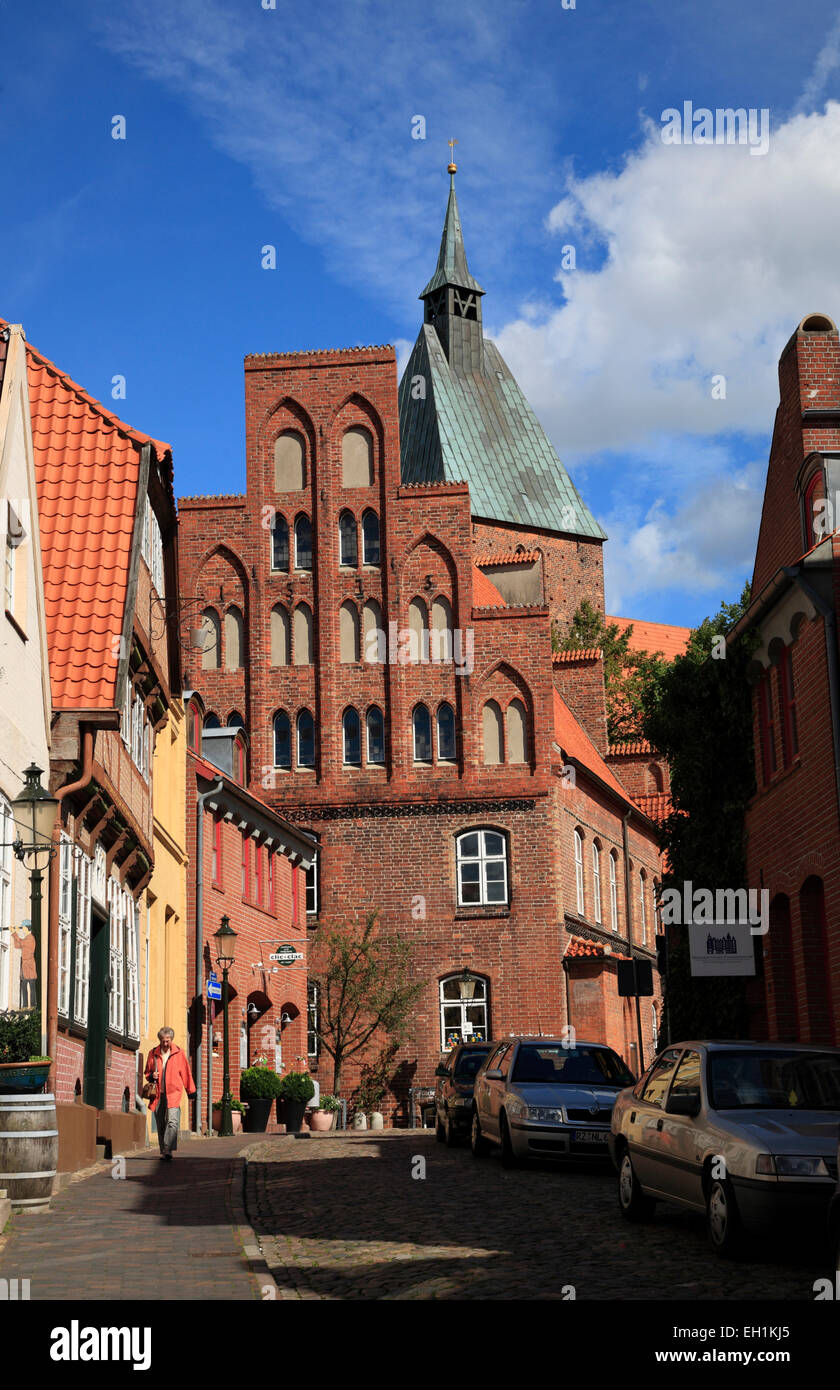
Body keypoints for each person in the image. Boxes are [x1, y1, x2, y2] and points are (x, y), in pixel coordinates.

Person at [144, 1028, 196, 1161]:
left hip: (174, 1093)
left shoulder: (179, 1053)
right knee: (161, 1123)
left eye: (167, 1041)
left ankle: (168, 1149)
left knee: (172, 1122)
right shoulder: (153, 1053)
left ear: (171, 1040)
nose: (165, 1044)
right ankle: (163, 1151)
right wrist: (151, 1076)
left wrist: (191, 1091)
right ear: (159, 1040)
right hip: (157, 1094)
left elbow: (186, 1073)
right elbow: (147, 1072)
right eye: (163, 1041)